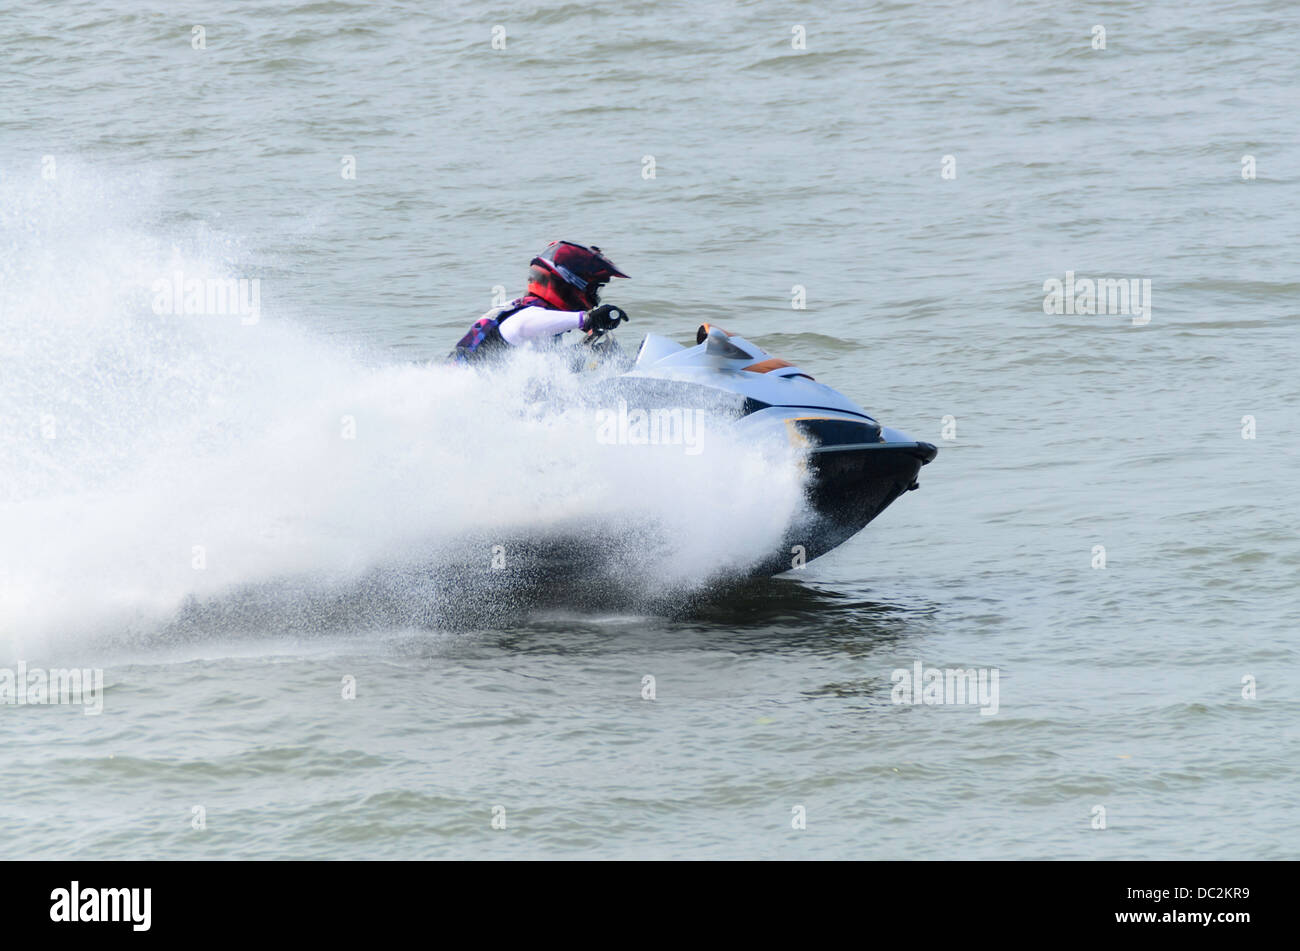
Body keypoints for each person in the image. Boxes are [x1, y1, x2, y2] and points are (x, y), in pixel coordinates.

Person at [450, 240, 630, 362]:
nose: (595, 300)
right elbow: (524, 325)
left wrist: (583, 351)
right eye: (593, 291)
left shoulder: (534, 314)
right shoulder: (525, 314)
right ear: (569, 284)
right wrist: (587, 319)